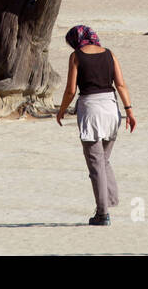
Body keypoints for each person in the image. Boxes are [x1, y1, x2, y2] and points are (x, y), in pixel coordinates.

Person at [55, 25, 135, 225]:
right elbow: (121, 85)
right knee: (104, 160)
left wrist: (62, 110)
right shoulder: (110, 54)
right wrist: (129, 111)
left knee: (96, 165)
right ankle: (110, 200)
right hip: (111, 109)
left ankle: (102, 214)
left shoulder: (76, 56)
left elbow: (70, 90)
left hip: (91, 110)